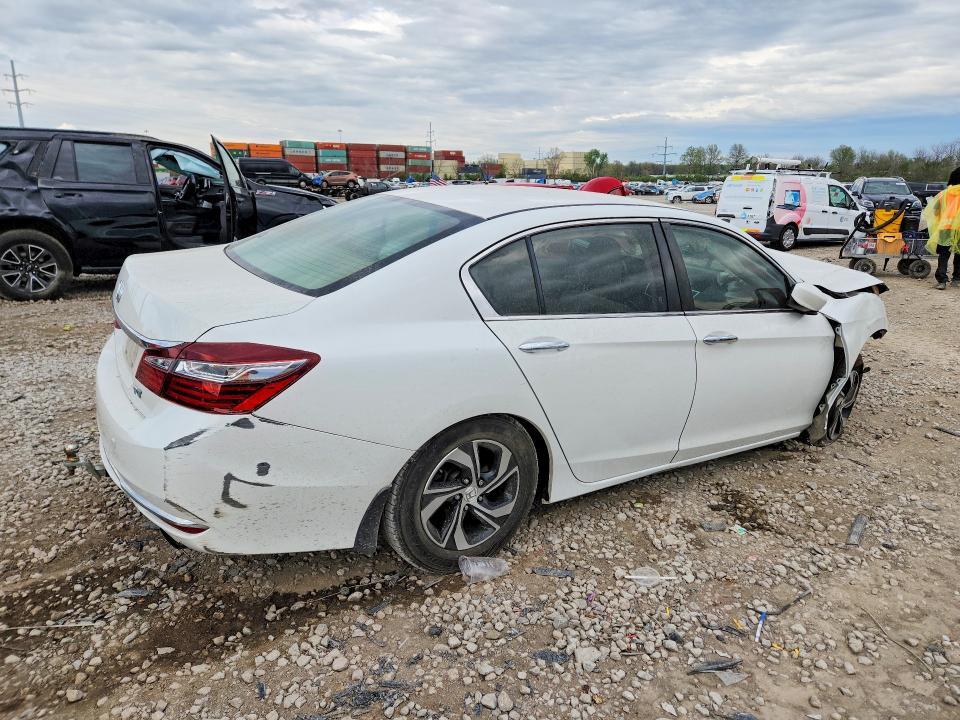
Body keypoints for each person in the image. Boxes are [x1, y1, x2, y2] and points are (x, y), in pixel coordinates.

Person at [923, 167, 960, 289]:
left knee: (944, 254)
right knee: (959, 254)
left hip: (946, 228)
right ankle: (956, 279)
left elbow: (935, 211)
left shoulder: (943, 194)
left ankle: (942, 280)